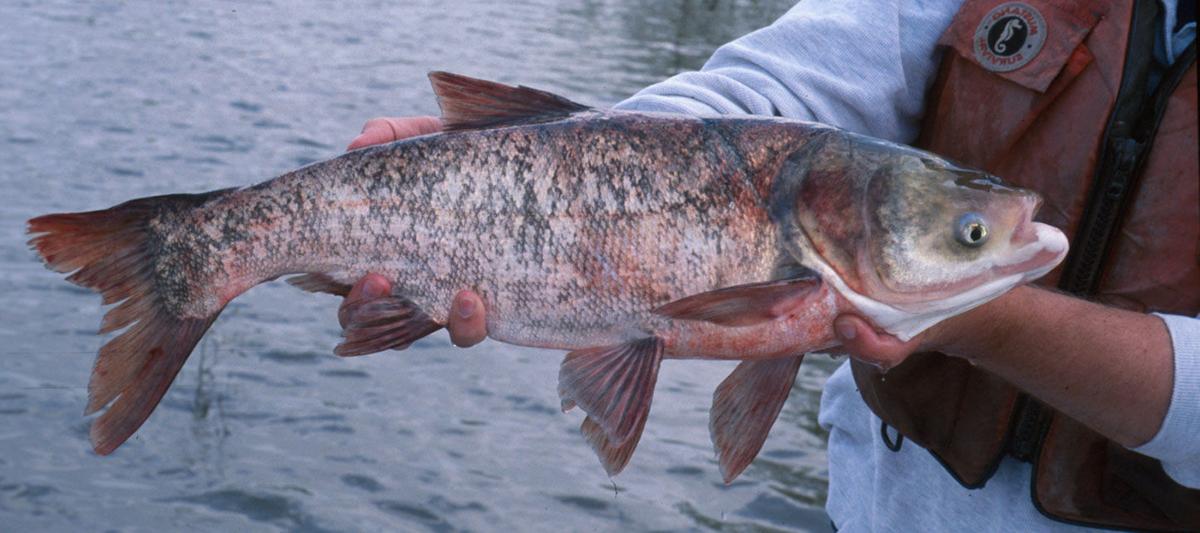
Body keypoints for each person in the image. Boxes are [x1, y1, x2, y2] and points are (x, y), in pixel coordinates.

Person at [343, 0, 1198, 530]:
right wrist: (568, 160)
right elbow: (773, 89)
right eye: (971, 237)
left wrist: (989, 321)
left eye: (967, 237)